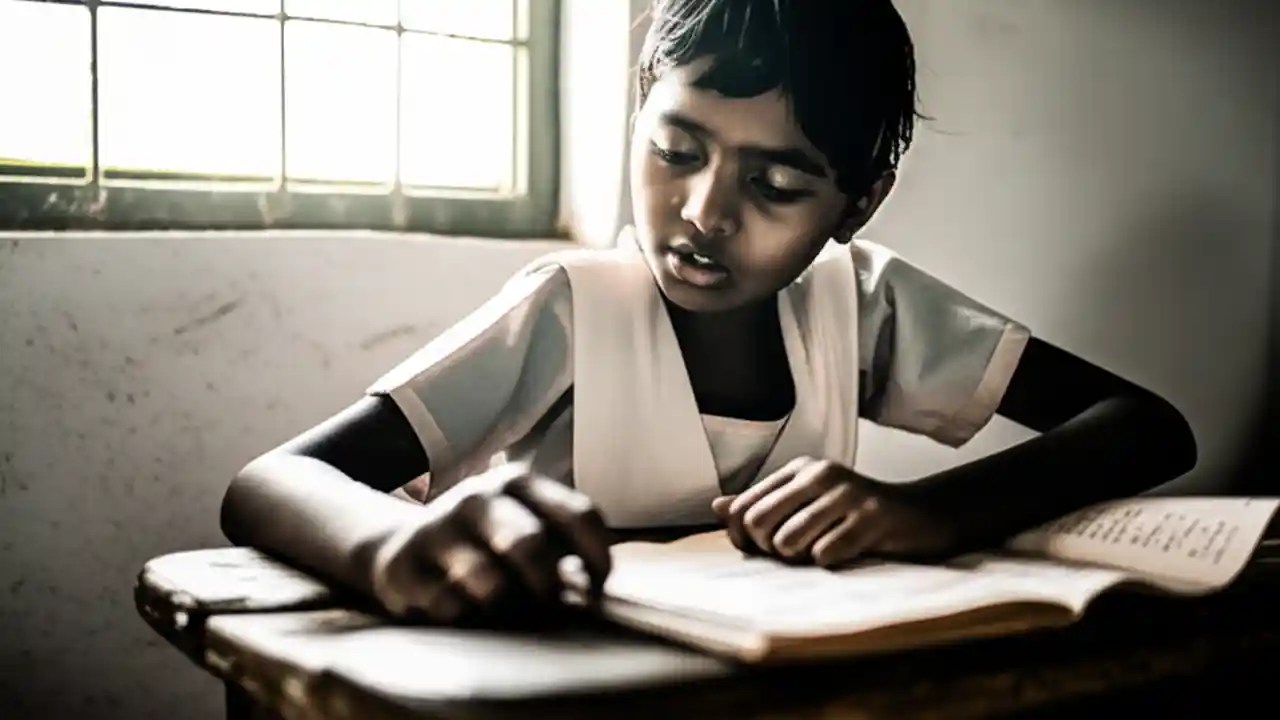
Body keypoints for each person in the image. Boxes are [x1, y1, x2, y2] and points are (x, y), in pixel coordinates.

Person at [220, 0, 1197, 626]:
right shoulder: (571, 310)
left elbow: (1145, 427)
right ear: (636, 119)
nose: (701, 213)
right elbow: (270, 482)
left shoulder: (859, 300)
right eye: (674, 151)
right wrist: (391, 548)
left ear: (856, 204)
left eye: (774, 184)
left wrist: (929, 513)